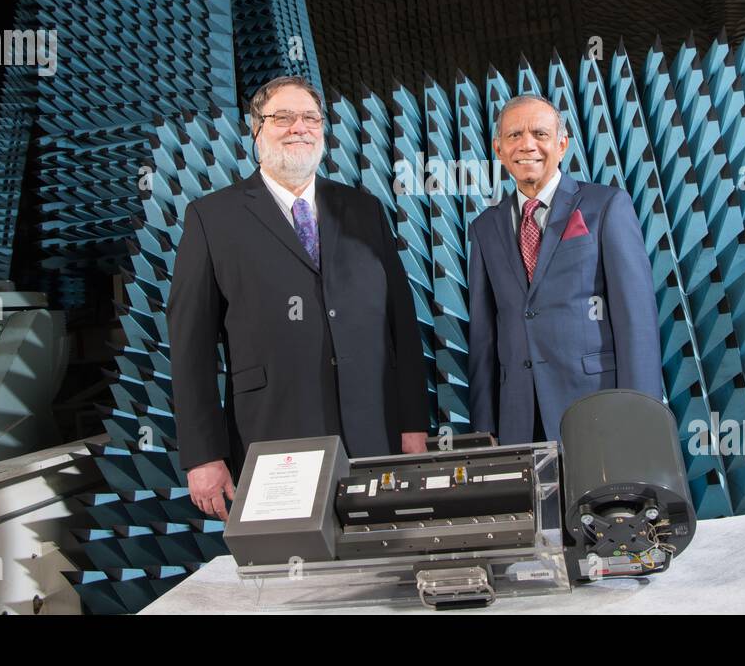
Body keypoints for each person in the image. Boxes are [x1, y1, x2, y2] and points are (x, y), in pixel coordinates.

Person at [168, 76, 430, 518]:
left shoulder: (364, 210)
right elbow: (190, 349)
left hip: (373, 435)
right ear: (256, 130)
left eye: (310, 117)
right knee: (293, 578)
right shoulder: (213, 218)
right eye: (282, 117)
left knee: (381, 568)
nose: (299, 127)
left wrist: (413, 425)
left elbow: (400, 326)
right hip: (271, 438)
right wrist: (203, 455)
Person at [467, 94, 663, 445]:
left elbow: (637, 320)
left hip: (597, 406)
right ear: (498, 149)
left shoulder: (605, 206)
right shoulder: (484, 228)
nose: (527, 144)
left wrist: (640, 412)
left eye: (540, 134)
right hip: (519, 418)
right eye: (514, 136)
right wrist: (485, 427)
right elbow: (484, 335)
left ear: (562, 144)